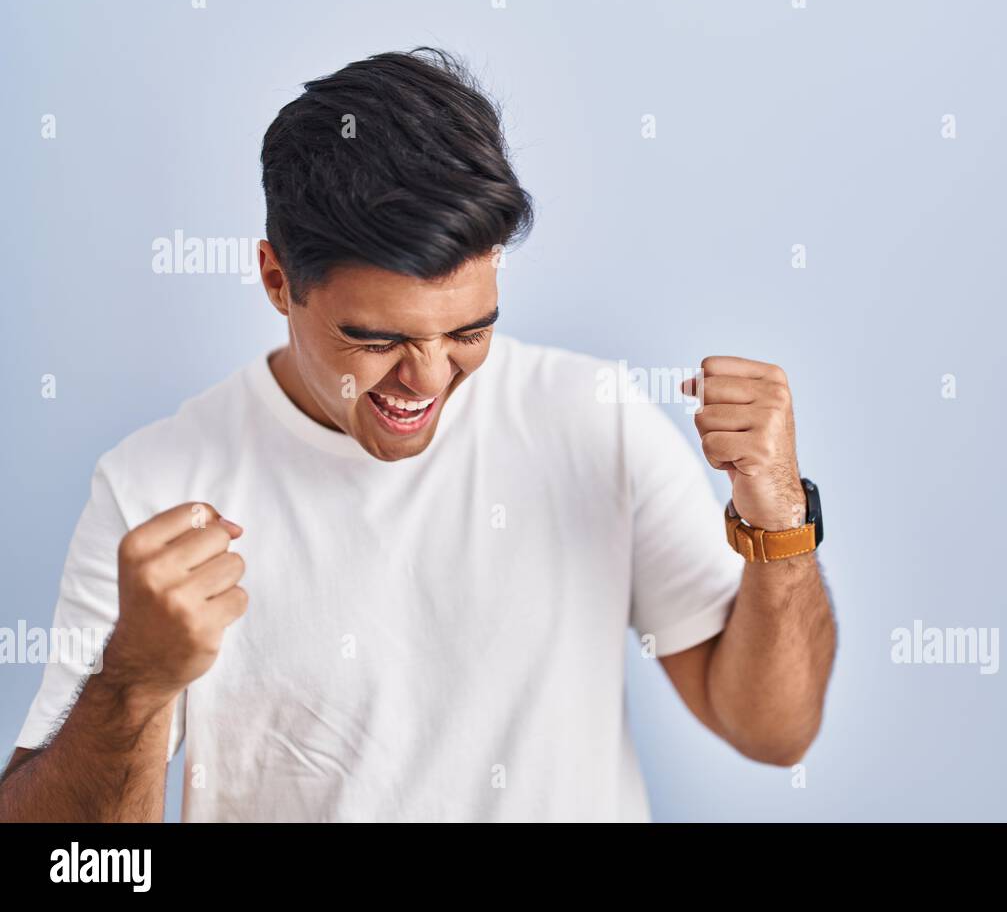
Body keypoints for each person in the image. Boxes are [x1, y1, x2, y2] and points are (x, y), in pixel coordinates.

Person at [0, 47, 836, 821]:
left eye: (469, 332)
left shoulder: (595, 419)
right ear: (276, 280)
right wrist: (134, 681)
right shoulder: (155, 485)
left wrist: (780, 523)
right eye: (378, 341)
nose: (429, 379)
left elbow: (773, 733)